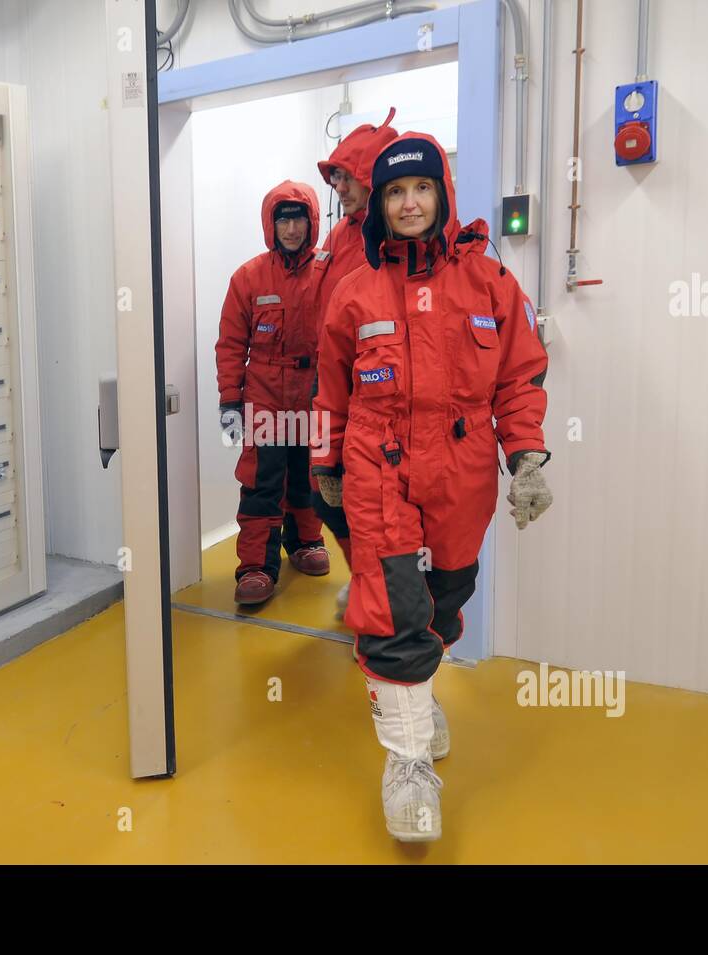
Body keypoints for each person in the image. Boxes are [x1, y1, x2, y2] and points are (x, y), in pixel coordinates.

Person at [312, 133, 554, 841]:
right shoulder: (354, 291)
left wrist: (528, 456)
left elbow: (520, 376)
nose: (408, 202)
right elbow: (331, 388)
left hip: (463, 470)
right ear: (378, 206)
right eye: (393, 192)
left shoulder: (490, 284)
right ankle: (409, 763)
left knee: (445, 600)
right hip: (378, 467)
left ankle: (416, 692)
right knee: (390, 608)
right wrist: (325, 459)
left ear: (441, 195)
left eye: (419, 188)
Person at [216, 181, 331, 605]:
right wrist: (230, 402)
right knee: (262, 481)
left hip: (315, 394)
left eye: (298, 218)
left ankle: (305, 542)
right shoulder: (248, 277)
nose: (291, 228)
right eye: (283, 219)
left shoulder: (329, 273)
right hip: (264, 394)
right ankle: (256, 567)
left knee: (308, 473)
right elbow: (230, 345)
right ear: (271, 224)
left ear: (312, 222)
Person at [311, 108, 399, 620]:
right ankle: (364, 581)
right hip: (330, 386)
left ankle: (381, 605)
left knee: (374, 506)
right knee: (328, 499)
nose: (339, 187)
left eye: (345, 176)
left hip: (376, 391)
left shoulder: (391, 233)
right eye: (335, 177)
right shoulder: (341, 234)